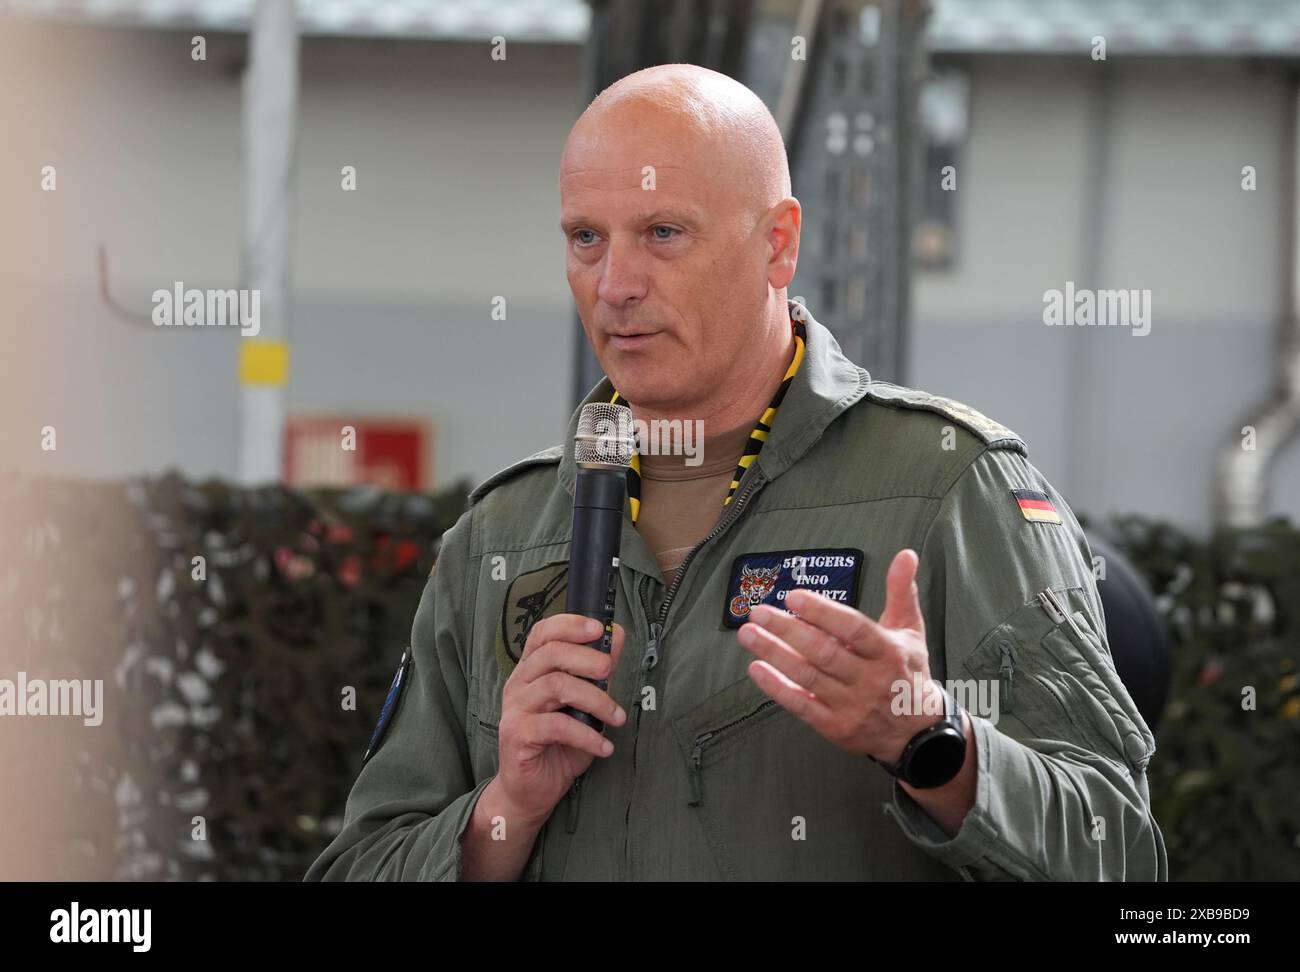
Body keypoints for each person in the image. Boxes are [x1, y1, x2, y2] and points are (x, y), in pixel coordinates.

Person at [304, 63, 1165, 881]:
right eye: (585, 238)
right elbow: (361, 864)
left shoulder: (950, 486)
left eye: (663, 233)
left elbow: (1116, 847)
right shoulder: (500, 533)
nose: (615, 285)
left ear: (777, 244)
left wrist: (930, 742)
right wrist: (505, 811)